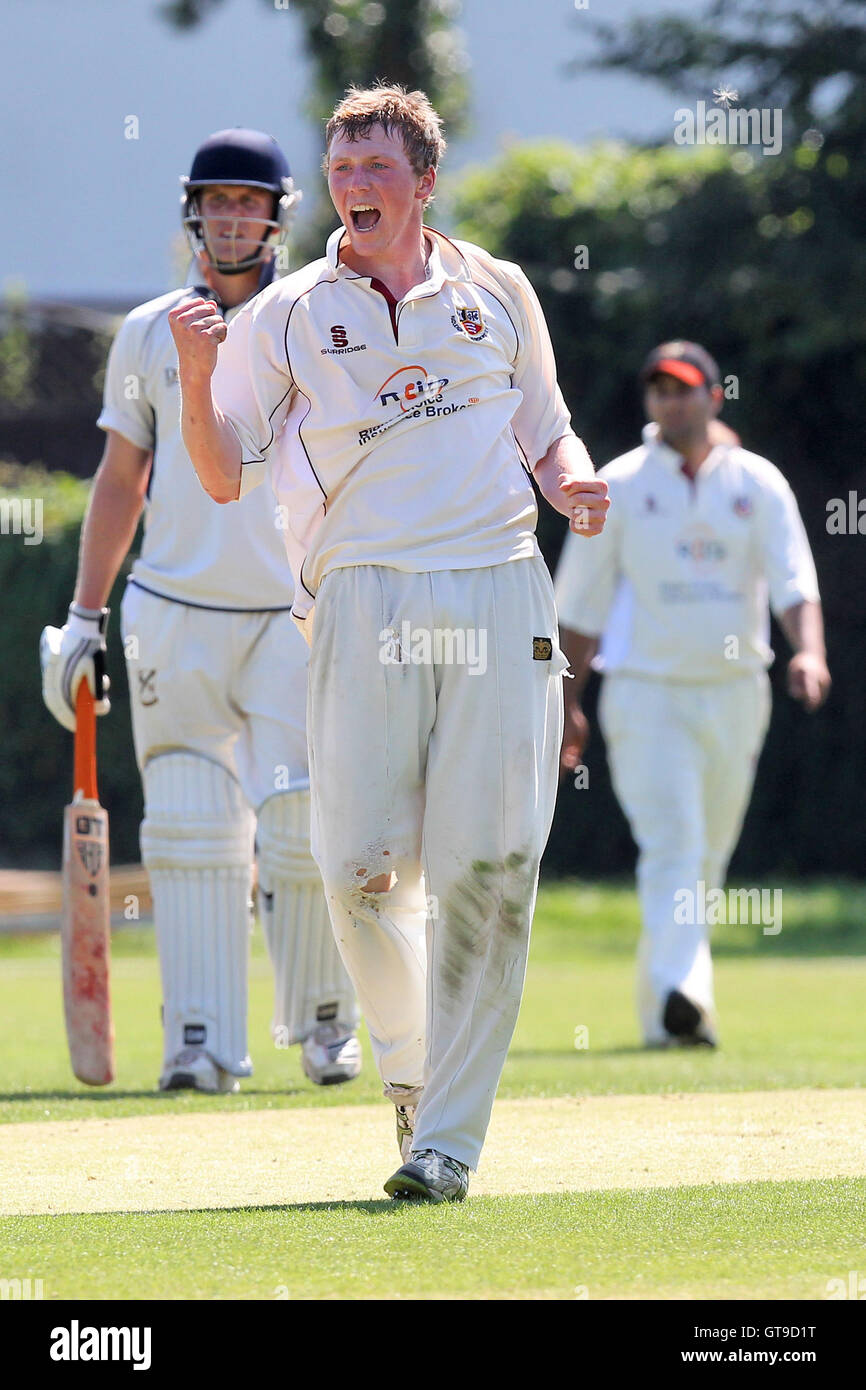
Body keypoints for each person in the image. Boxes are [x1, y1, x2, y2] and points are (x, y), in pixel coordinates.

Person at [168, 84, 609, 1201]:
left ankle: (448, 1141)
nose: (353, 187)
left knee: (490, 871)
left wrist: (570, 485)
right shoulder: (291, 311)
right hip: (362, 595)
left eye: (375, 169)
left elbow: (543, 425)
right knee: (358, 870)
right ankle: (413, 1069)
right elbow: (223, 471)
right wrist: (188, 365)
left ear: (422, 182)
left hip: (501, 589)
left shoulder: (496, 289)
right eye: (341, 168)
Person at [40, 129, 361, 1094]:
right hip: (172, 610)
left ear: (277, 214)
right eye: (215, 201)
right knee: (185, 827)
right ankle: (201, 1040)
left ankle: (325, 1024)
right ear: (193, 210)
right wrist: (85, 617)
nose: (230, 218)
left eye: (246, 202)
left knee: (302, 820)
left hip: (289, 613)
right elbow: (120, 476)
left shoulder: (314, 317)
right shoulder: (147, 330)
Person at [555, 341, 830, 1048]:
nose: (670, 402)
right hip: (647, 692)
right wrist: (566, 703)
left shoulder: (757, 481)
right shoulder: (619, 483)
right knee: (675, 845)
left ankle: (669, 1018)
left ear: (715, 395)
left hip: (737, 691)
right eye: (658, 391)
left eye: (683, 389)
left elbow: (795, 580)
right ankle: (687, 991)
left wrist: (809, 653)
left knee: (705, 855)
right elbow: (579, 609)